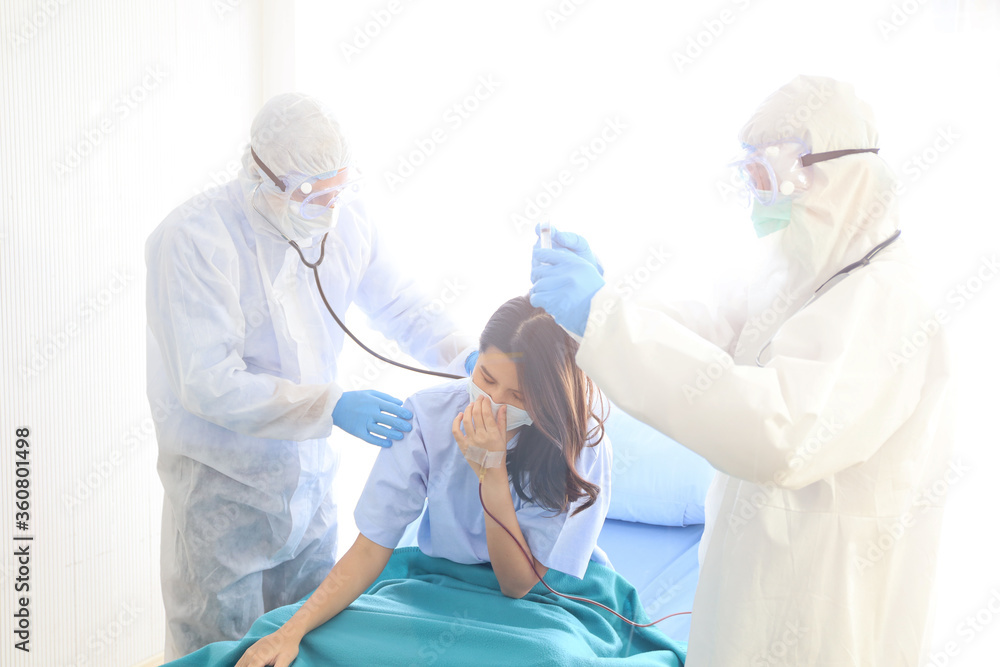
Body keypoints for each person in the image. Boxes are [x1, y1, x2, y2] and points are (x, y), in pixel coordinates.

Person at [528, 75, 953, 665]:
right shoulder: (796, 271)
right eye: (747, 175)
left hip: (824, 613)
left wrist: (604, 318)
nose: (759, 199)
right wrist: (601, 308)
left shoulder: (886, 303)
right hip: (750, 589)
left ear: (830, 176)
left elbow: (780, 433)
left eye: (767, 178)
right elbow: (706, 325)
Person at [146, 93, 476, 660]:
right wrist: (330, 407)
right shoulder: (193, 240)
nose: (328, 207)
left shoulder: (349, 222)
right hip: (222, 499)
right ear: (261, 176)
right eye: (310, 194)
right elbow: (208, 382)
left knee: (306, 645)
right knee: (219, 651)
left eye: (338, 189)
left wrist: (469, 355)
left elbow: (402, 306)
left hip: (310, 494)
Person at [232, 296, 612, 667]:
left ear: (549, 398)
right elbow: (371, 547)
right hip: (441, 581)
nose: (491, 403)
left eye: (517, 396)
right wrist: (290, 632)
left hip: (544, 595)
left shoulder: (581, 448)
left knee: (547, 660)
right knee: (311, 641)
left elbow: (516, 584)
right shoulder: (427, 417)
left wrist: (491, 473)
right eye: (486, 377)